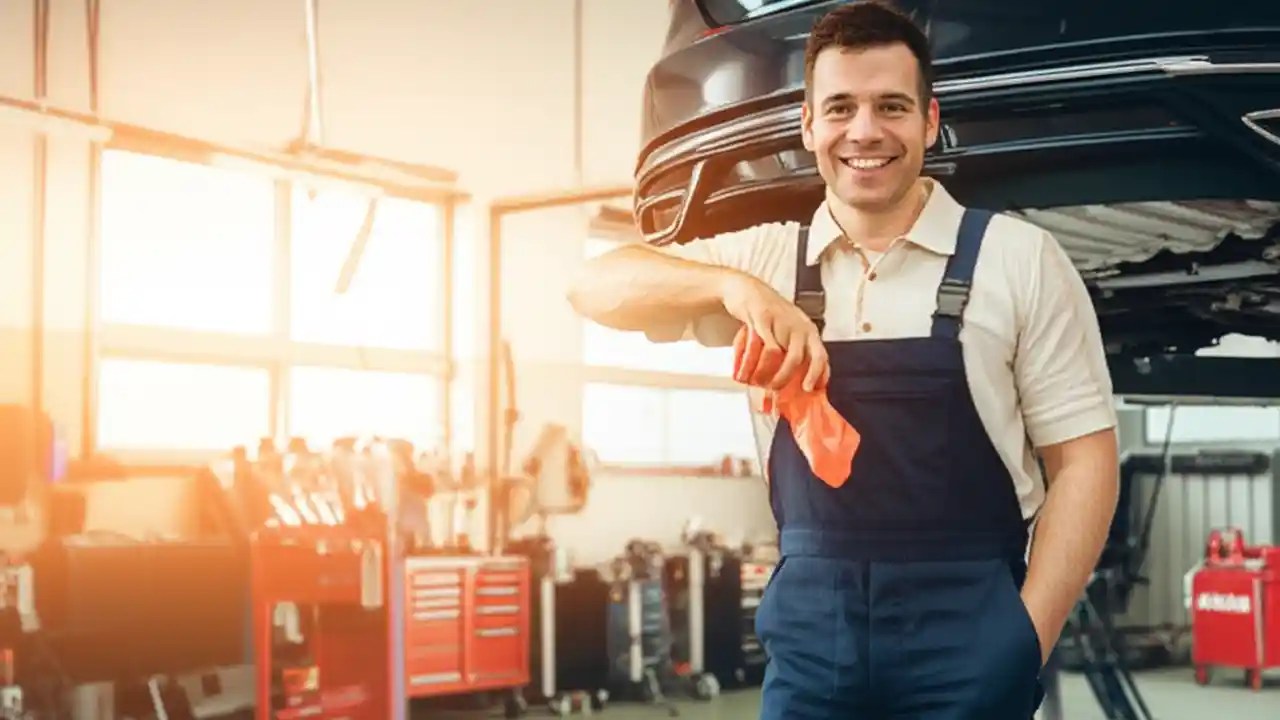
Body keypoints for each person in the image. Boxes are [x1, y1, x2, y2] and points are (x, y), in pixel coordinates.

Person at [568, 1, 1119, 717]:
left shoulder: (1017, 260)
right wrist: (730, 286)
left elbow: (1084, 460)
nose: (864, 131)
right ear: (807, 124)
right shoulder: (767, 255)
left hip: (968, 631)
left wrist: (1025, 634)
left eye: (891, 106)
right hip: (809, 635)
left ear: (929, 119)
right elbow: (594, 286)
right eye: (840, 108)